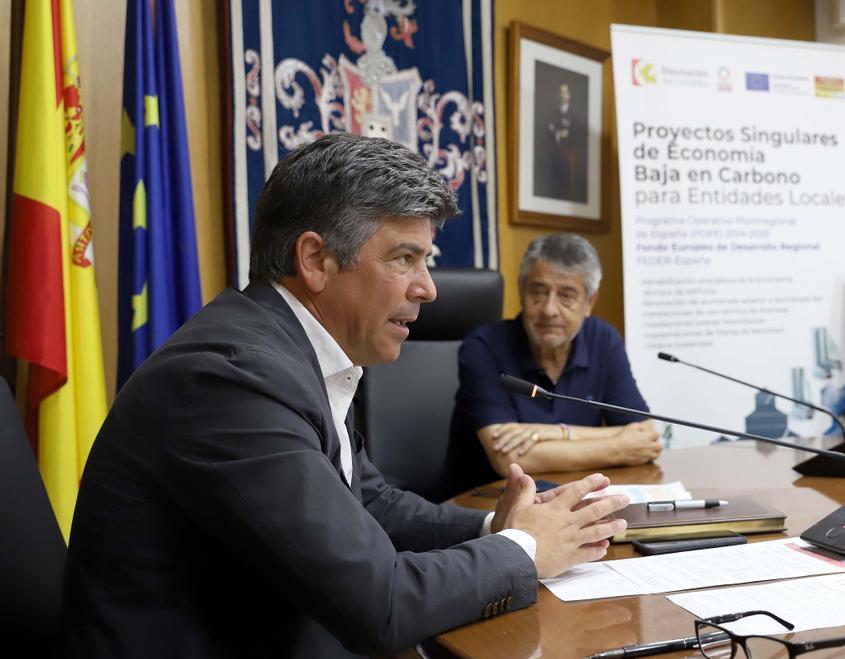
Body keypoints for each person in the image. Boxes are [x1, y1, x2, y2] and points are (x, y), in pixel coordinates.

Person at [61, 135, 631, 658]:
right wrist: (524, 550)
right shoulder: (233, 380)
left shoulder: (293, 350)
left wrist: (497, 528)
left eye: (425, 262)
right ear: (315, 260)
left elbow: (367, 503)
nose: (427, 288)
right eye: (404, 258)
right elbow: (381, 605)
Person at [451, 233, 661, 483]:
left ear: (589, 303)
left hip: (577, 497)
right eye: (538, 292)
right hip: (487, 506)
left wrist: (553, 433)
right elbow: (509, 461)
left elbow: (646, 435)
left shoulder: (603, 339)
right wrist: (618, 447)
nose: (549, 310)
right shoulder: (483, 347)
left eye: (566, 296)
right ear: (521, 292)